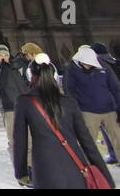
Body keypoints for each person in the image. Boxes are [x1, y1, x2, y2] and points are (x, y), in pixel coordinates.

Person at [14, 55, 115, 189]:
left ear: (30, 75)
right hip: (75, 167)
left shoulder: (24, 102)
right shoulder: (69, 102)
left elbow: (20, 141)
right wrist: (106, 177)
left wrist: (21, 172)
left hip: (45, 169)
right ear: (55, 76)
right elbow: (87, 143)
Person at [63, 44, 120, 165]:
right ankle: (86, 169)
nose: (89, 66)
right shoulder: (71, 69)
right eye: (86, 63)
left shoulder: (103, 66)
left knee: (118, 139)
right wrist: (75, 110)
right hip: (88, 112)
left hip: (109, 110)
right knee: (88, 142)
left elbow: (115, 87)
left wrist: (118, 107)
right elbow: (70, 91)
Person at [0, 43, 28, 157]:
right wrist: (5, 67)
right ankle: (19, 168)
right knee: (14, 139)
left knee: (28, 137)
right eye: (0, 55)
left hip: (23, 106)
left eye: (5, 54)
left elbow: (23, 85)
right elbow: (0, 86)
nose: (3, 57)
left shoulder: (13, 69)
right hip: (9, 108)